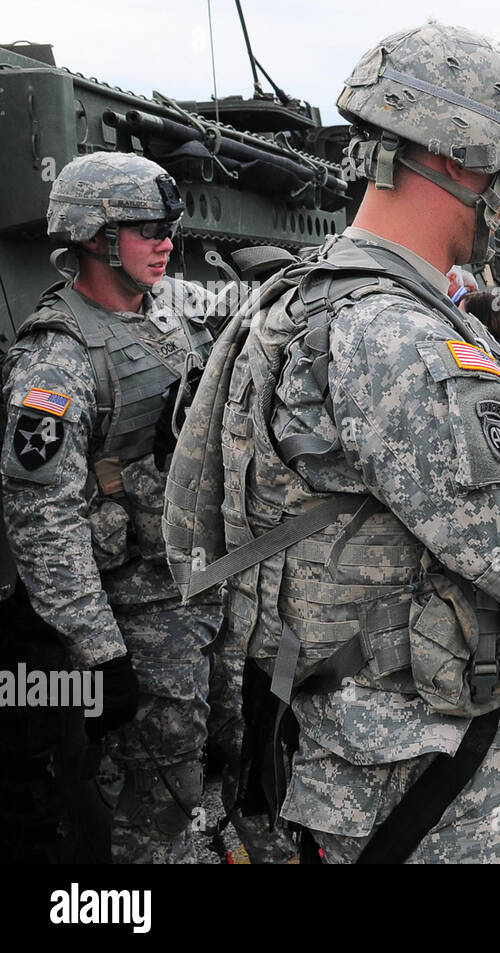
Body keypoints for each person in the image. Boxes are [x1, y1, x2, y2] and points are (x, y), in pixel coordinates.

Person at [164, 20, 500, 864]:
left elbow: (390, 478)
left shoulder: (307, 297)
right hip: (420, 766)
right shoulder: (402, 335)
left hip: (341, 739)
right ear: (454, 157)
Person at [3, 153, 228, 863]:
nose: (166, 242)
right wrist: (99, 652)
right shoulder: (56, 358)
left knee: (218, 765)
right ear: (98, 238)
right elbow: (42, 519)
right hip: (135, 607)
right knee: (161, 797)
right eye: (147, 229)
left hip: (193, 583)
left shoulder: (160, 324)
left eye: (170, 229)